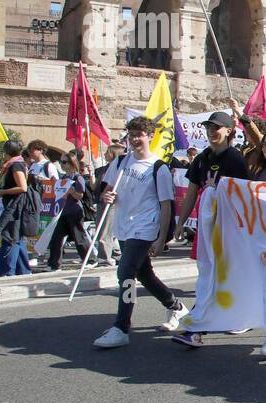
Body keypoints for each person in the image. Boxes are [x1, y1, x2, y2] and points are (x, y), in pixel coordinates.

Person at [92, 117, 189, 348]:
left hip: (145, 227)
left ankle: (121, 328)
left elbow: (166, 205)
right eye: (132, 134)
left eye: (140, 134)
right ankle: (176, 307)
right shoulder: (120, 162)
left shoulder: (159, 168)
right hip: (124, 226)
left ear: (150, 136)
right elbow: (106, 190)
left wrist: (161, 237)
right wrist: (106, 197)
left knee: (125, 272)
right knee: (144, 274)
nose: (135, 139)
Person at [170, 112, 250, 348]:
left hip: (229, 229)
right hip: (208, 228)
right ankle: (203, 324)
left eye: (217, 127)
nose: (211, 131)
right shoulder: (202, 158)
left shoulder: (236, 159)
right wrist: (181, 222)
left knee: (216, 277)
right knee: (208, 275)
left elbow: (244, 195)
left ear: (228, 131)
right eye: (208, 127)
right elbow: (193, 191)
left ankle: (197, 327)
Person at [0, 140, 32, 276]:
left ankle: (6, 273)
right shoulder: (13, 164)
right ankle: (24, 271)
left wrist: (1, 192)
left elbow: (22, 187)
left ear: (6, 152)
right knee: (17, 238)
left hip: (15, 207)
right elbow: (6, 187)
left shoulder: (16, 165)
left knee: (9, 238)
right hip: (12, 204)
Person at [44, 150, 93, 271]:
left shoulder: (77, 177)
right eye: (61, 162)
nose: (62, 165)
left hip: (74, 211)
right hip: (63, 211)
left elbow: (80, 196)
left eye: (65, 162)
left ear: (72, 163)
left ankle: (90, 259)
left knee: (79, 237)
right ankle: (54, 264)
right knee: (57, 238)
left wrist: (71, 191)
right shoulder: (64, 177)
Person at [93, 143, 123, 266]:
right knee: (107, 230)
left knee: (105, 231)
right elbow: (96, 187)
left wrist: (106, 194)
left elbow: (112, 186)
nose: (105, 154)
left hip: (111, 203)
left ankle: (104, 258)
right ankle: (118, 254)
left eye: (107, 152)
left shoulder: (118, 168)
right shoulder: (103, 169)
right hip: (101, 200)